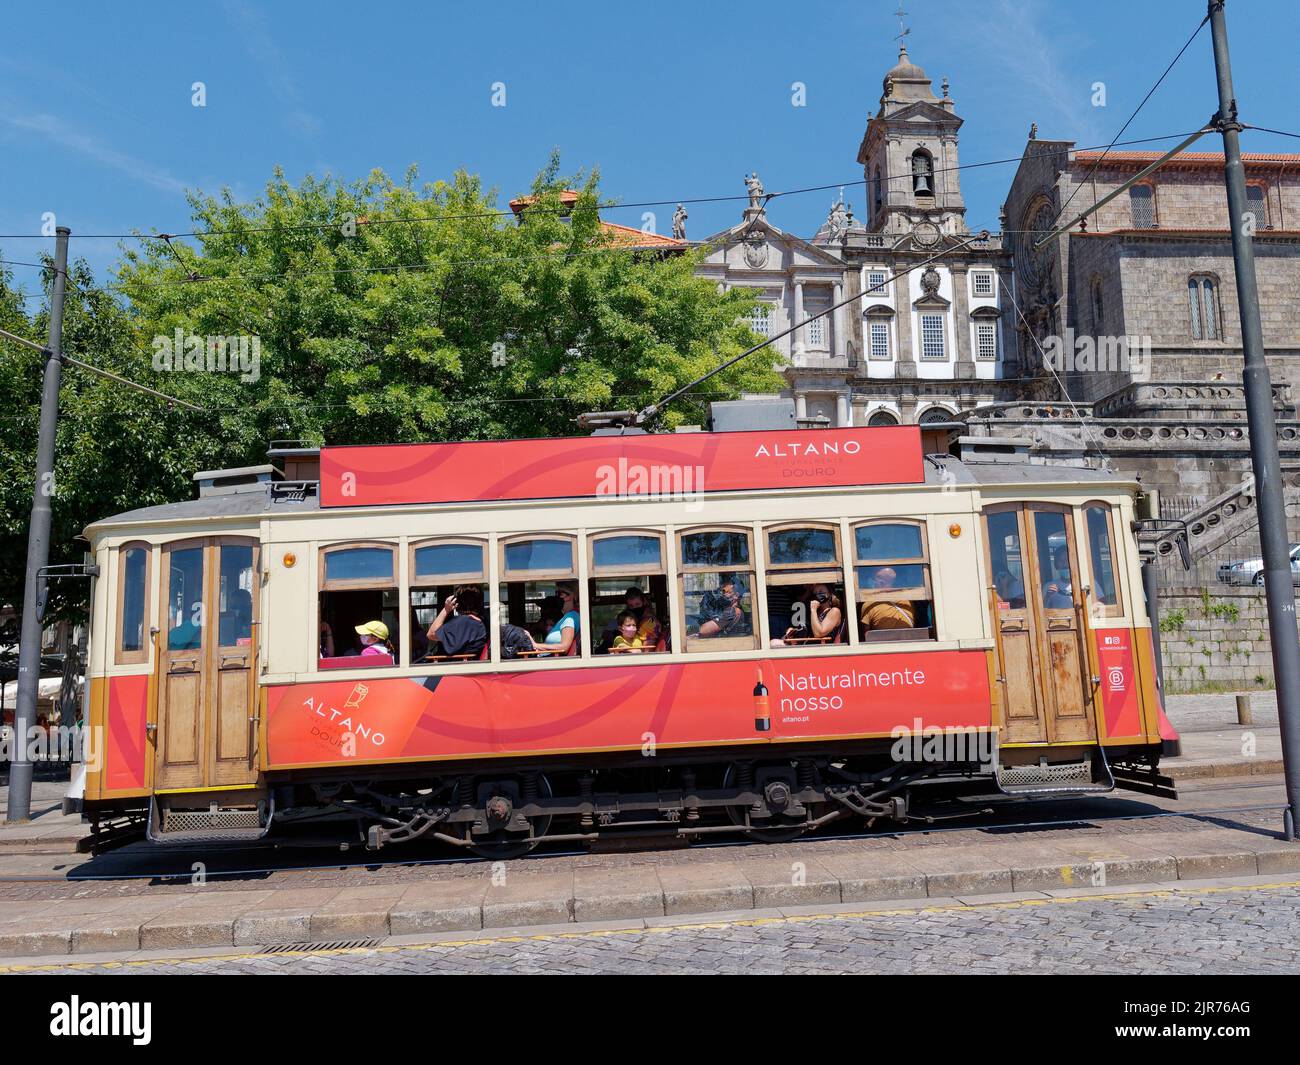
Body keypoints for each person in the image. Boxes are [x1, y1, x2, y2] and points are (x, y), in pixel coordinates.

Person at [772, 583, 842, 647]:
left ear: (829, 593)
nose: (818, 595)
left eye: (821, 592)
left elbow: (819, 633)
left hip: (821, 648)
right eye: (815, 593)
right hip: (807, 644)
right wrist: (794, 631)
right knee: (773, 643)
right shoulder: (817, 612)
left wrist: (813, 610)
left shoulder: (834, 611)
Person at [426, 586, 487, 658]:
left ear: (458, 603)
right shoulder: (479, 622)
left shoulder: (463, 623)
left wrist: (446, 610)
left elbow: (431, 634)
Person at [859, 566, 915, 631]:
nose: (870, 581)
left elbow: (866, 634)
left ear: (881, 583)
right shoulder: (908, 599)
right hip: (909, 638)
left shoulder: (869, 604)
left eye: (873, 579)